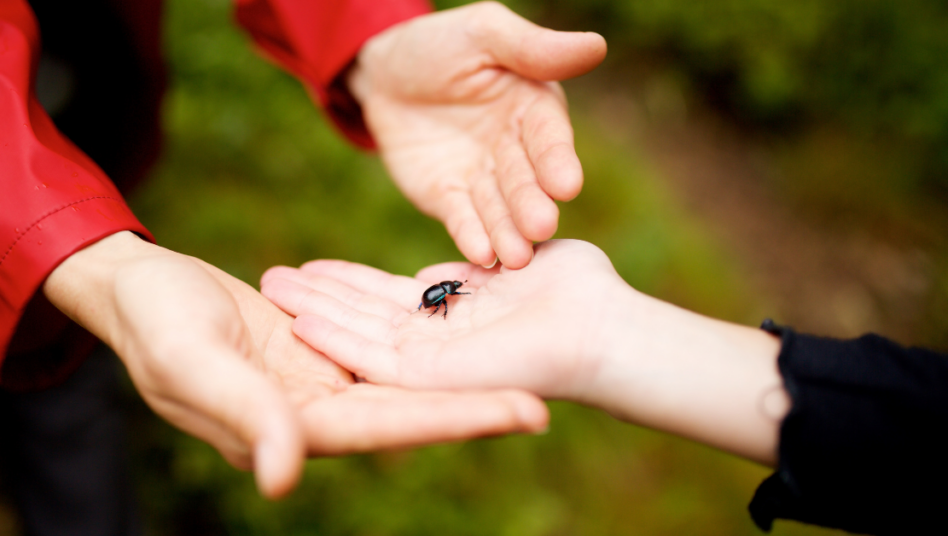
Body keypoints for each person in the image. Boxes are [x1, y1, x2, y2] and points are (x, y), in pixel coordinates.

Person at [0, 0, 606, 513]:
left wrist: (366, 29)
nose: (447, 295)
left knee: (57, 367)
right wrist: (69, 249)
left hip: (86, 71)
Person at [260, 238, 948, 534]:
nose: (445, 294)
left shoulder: (448, 291)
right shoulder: (439, 294)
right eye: (444, 297)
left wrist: (607, 339)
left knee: (449, 294)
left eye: (444, 296)